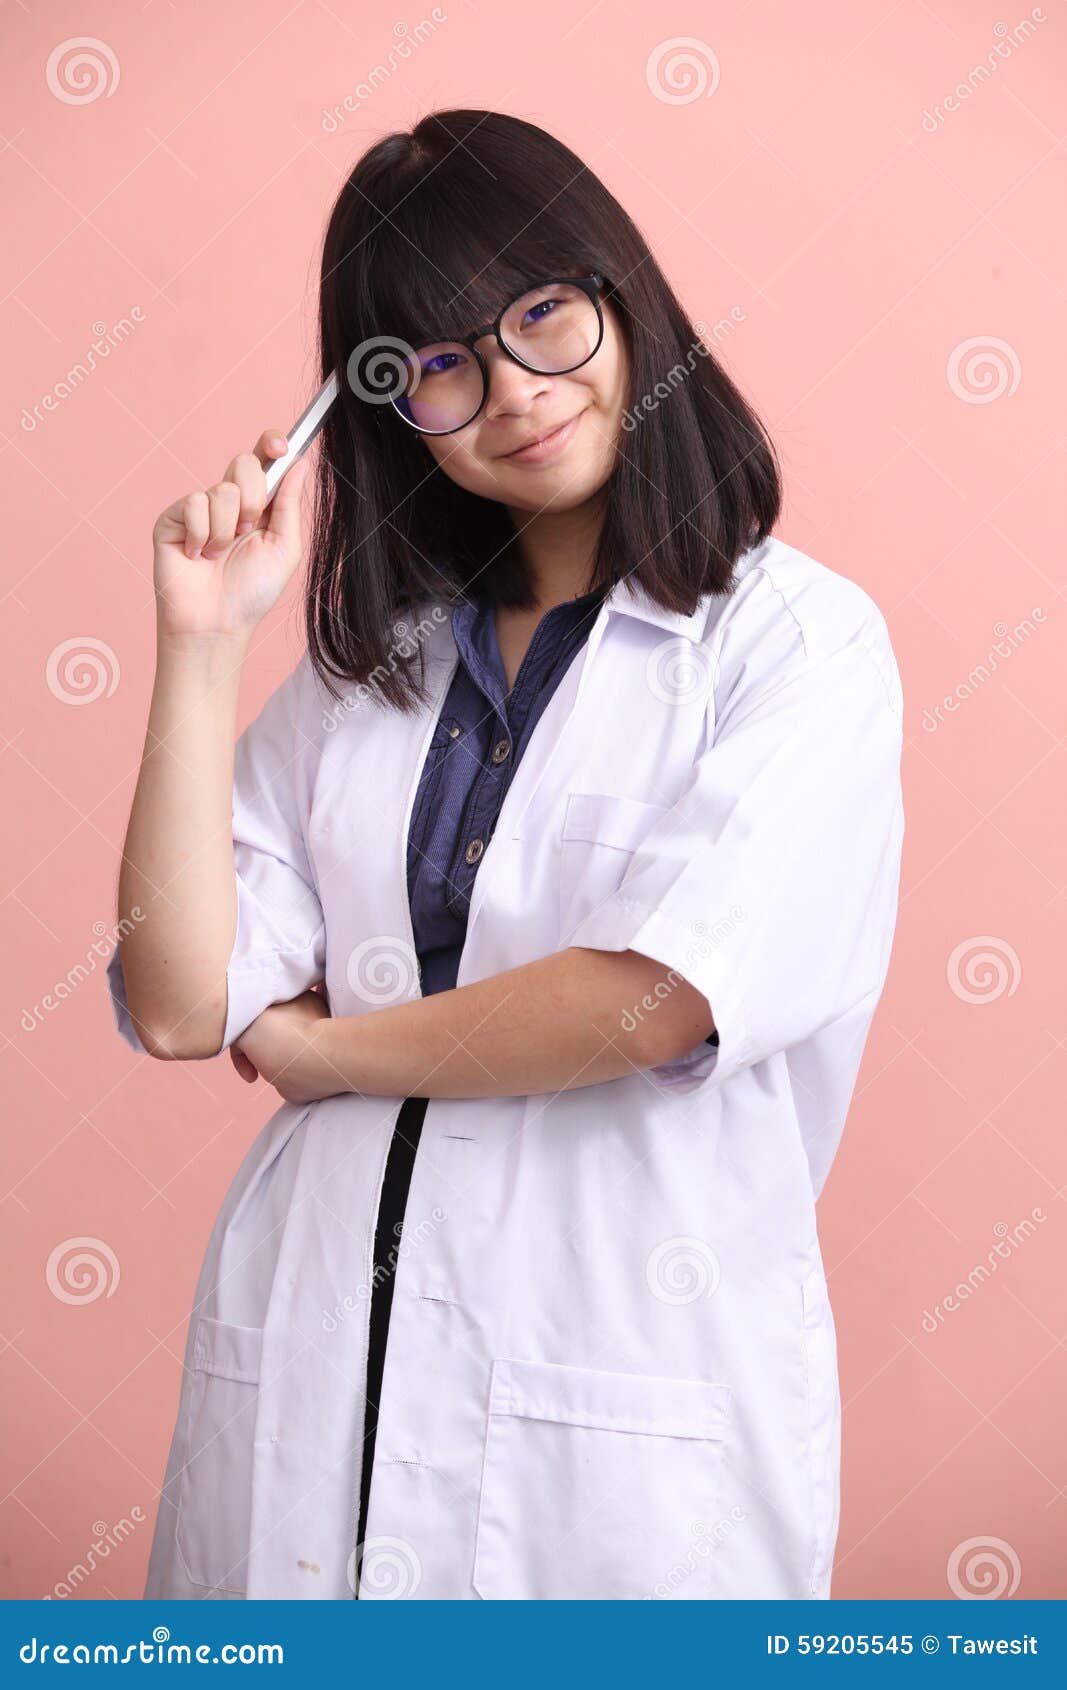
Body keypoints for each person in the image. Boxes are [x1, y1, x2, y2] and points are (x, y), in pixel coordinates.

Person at [106, 108, 904, 1601]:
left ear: (623, 296)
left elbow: (649, 1002)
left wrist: (334, 1054)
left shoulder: (794, 643)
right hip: (312, 1385)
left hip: (614, 1414)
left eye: (542, 314)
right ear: (381, 412)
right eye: (442, 367)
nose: (515, 395)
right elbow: (175, 998)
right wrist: (201, 651)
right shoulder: (367, 677)